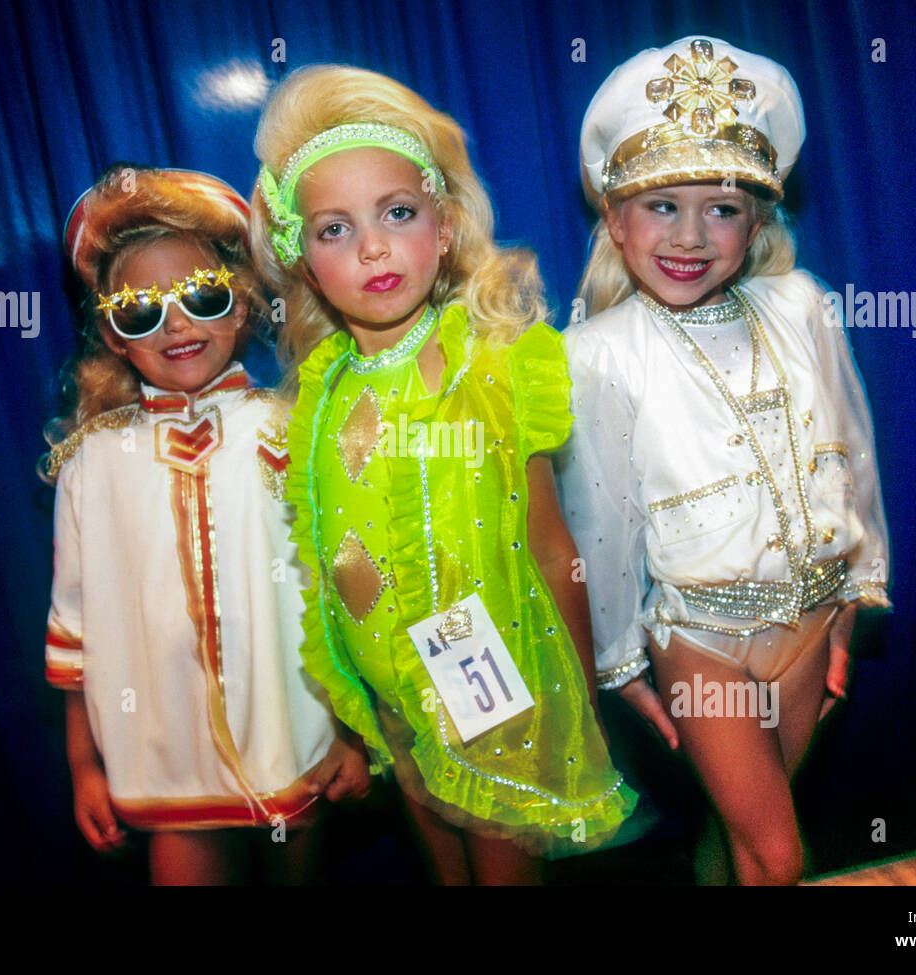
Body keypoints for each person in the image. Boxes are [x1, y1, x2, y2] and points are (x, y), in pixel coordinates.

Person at [250, 65, 636, 885]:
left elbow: (546, 538)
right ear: (301, 257)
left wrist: (576, 698)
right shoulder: (322, 390)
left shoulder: (496, 361)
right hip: (392, 690)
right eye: (334, 229)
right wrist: (356, 718)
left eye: (396, 213)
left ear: (445, 225)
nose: (374, 247)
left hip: (493, 688)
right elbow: (326, 558)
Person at [557, 37, 891, 885]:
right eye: (662, 205)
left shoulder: (802, 303)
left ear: (759, 220)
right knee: (777, 855)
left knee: (741, 827)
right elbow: (602, 523)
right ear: (614, 218)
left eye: (724, 207)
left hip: (813, 621)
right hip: (701, 636)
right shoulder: (598, 351)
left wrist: (857, 589)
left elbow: (853, 452)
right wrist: (620, 661)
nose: (692, 236)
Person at [41, 165, 369, 885]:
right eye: (140, 311)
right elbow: (76, 624)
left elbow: (338, 585)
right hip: (164, 755)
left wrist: (352, 730)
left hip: (297, 732)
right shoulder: (92, 463)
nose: (178, 324)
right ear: (113, 335)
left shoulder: (294, 431)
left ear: (242, 307)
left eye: (201, 296)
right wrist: (83, 764)